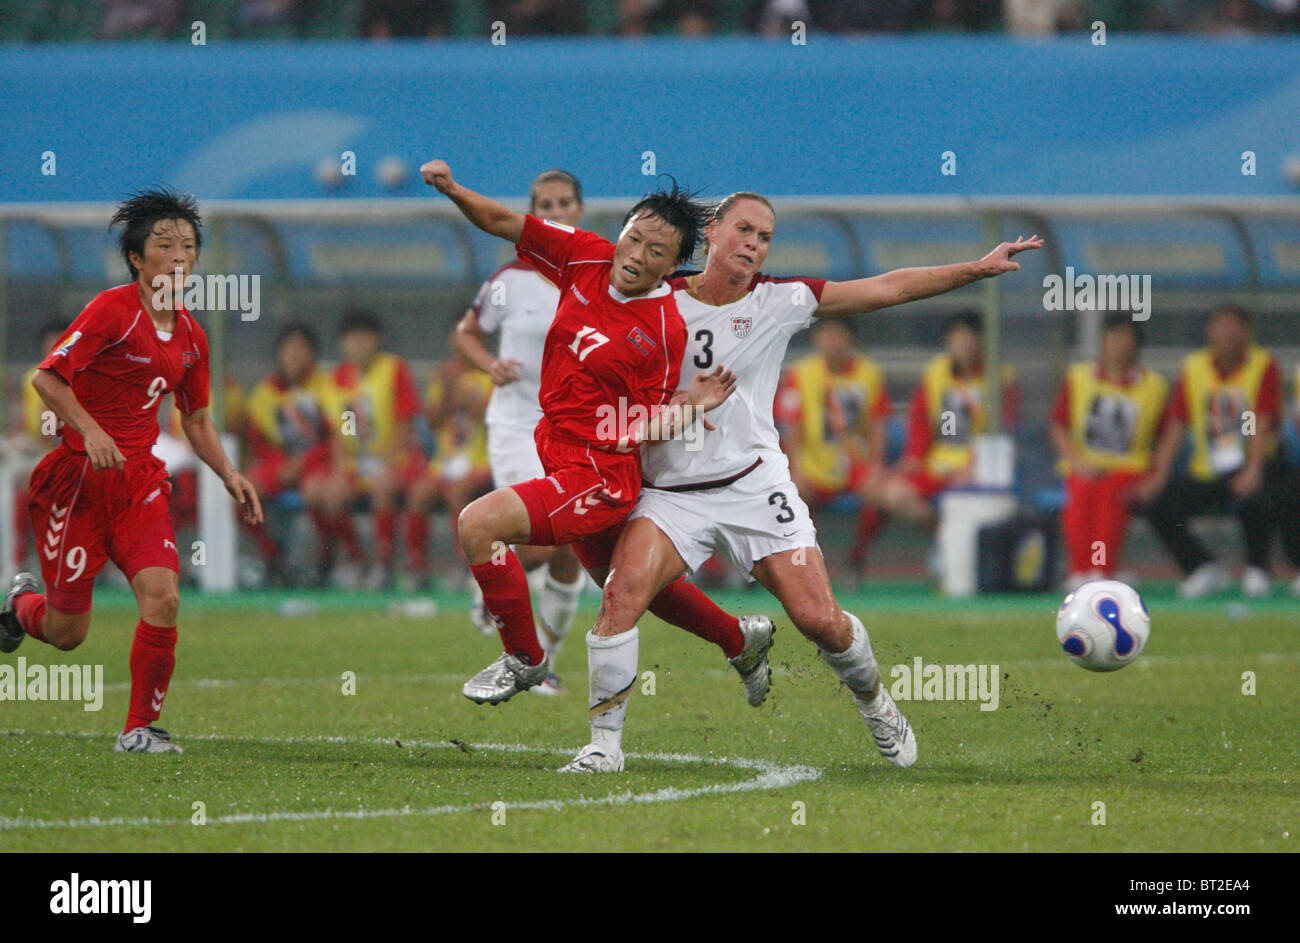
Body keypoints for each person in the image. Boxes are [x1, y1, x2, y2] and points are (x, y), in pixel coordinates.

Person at [559, 192, 1041, 773]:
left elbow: (888, 288)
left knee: (820, 621)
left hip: (754, 487)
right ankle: (604, 748)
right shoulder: (657, 297)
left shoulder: (781, 300)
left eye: (764, 237)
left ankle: (875, 701)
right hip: (671, 494)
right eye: (743, 230)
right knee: (621, 596)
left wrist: (976, 269)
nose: (753, 244)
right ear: (711, 232)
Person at [420, 159, 737, 704]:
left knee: (478, 524)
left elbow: (652, 420)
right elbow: (502, 222)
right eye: (633, 239)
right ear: (622, 231)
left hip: (600, 474)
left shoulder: (664, 328)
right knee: (632, 586)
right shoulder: (586, 253)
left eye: (656, 252)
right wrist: (452, 190)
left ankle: (525, 658)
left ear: (672, 266)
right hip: (555, 446)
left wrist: (690, 408)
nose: (636, 256)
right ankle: (740, 638)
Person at [0, 188, 262, 753]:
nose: (179, 256)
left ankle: (139, 728)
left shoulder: (192, 336)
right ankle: (19, 606)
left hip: (139, 481)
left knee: (164, 597)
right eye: (164, 245)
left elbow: (196, 418)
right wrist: (91, 430)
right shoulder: (112, 311)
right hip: (77, 482)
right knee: (67, 633)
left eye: (188, 246)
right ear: (137, 259)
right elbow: (46, 378)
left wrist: (228, 474)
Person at [451, 170, 590, 693]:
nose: (555, 212)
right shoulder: (510, 281)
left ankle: (545, 665)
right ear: (533, 214)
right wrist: (489, 364)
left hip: (572, 427)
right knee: (538, 538)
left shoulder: (597, 277)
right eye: (545, 205)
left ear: (580, 209)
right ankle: (489, 569)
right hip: (516, 425)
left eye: (564, 202)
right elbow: (465, 333)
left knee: (573, 541)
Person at [1132, 303, 1295, 598]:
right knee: (1158, 502)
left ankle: (1258, 568)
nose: (1228, 333)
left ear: (1247, 332)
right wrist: (1159, 475)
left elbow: (1261, 418)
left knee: (1266, 493)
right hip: (1208, 471)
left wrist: (1253, 468)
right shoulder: (1194, 368)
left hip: (1255, 462)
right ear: (1209, 331)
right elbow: (1176, 425)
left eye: (1234, 326)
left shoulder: (1262, 365)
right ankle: (1202, 567)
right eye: (1221, 325)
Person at [863, 311, 1019, 537]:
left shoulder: (1001, 377)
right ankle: (943, 534)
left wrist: (975, 465)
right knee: (890, 494)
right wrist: (914, 457)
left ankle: (953, 543)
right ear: (948, 342)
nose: (964, 345)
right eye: (958, 338)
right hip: (938, 464)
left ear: (982, 341)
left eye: (970, 337)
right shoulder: (936, 372)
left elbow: (1007, 430)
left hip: (978, 468)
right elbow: (920, 420)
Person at [1049, 312, 1168, 588]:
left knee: (1110, 496)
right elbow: (1059, 425)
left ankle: (1100, 568)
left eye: (1125, 338)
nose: (1119, 344)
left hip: (1128, 469)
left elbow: (1165, 436)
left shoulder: (1154, 385)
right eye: (1113, 337)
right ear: (1102, 340)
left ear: (1136, 343)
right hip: (1084, 466)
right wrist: (1077, 462)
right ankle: (1079, 570)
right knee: (1080, 496)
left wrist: (1156, 476)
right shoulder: (1078, 377)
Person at [243, 323, 358, 587]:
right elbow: (259, 444)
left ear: (313, 354)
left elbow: (338, 434)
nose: (295, 354)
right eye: (289, 347)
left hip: (318, 463)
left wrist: (306, 462)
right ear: (279, 353)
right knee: (241, 492)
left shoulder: (326, 386)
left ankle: (331, 557)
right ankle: (273, 557)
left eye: (302, 348)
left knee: (319, 492)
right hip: (281, 465)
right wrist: (281, 466)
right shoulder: (263, 394)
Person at [775, 317, 889, 577]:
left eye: (838, 335)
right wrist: (797, 466)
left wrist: (876, 465)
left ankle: (855, 558)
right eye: (826, 335)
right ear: (816, 338)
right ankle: (815, 558)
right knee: (793, 493)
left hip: (856, 462)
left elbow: (878, 423)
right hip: (813, 462)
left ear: (850, 339)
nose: (832, 342)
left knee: (880, 492)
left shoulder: (870, 373)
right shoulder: (800, 373)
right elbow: (791, 425)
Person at [331, 308, 426, 590]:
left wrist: (386, 464)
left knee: (383, 486)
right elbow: (338, 428)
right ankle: (357, 560)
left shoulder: (394, 369)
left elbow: (405, 424)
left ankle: (385, 565)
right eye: (352, 338)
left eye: (365, 337)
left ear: (377, 339)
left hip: (399, 459)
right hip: (358, 463)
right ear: (343, 343)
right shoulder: (337, 378)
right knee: (331, 494)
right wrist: (343, 466)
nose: (359, 343)